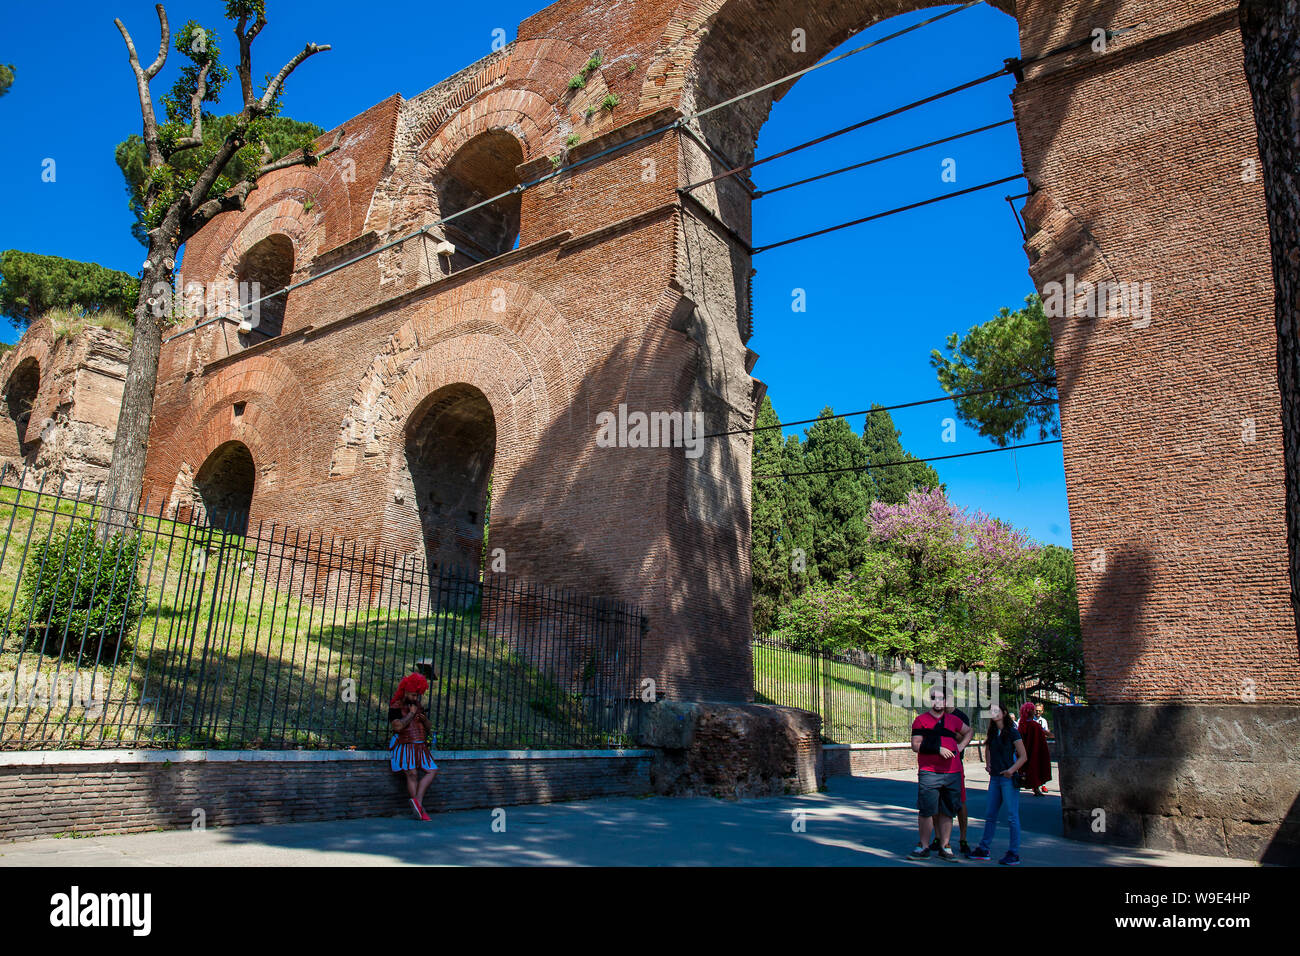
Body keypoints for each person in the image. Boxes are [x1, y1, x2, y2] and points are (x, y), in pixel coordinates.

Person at [909, 687, 970, 861]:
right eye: (935, 698)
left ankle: (945, 846)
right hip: (929, 771)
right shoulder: (920, 720)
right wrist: (938, 749)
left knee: (947, 811)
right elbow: (915, 745)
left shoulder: (953, 720)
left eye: (942, 698)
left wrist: (960, 747)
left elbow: (968, 731)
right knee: (927, 810)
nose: (938, 702)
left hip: (952, 772)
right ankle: (923, 845)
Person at [970, 701, 1028, 865]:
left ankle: (1013, 852)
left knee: (1012, 817)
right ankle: (984, 848)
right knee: (990, 815)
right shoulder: (993, 731)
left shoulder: (1012, 732)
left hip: (1008, 778)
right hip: (995, 778)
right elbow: (988, 747)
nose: (993, 713)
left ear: (1003, 712)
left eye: (996, 710)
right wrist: (988, 763)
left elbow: (1023, 755)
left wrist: (1011, 770)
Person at [389, 672, 437, 821]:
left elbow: (429, 727)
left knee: (432, 770)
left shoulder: (417, 706)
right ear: (405, 691)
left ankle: (418, 802)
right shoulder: (395, 706)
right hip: (405, 744)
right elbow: (397, 727)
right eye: (413, 695)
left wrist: (424, 719)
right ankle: (419, 807)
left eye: (417, 695)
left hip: (420, 745)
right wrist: (410, 714)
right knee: (412, 773)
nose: (416, 698)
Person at [931, 700, 975, 857]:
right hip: (936, 764)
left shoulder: (959, 717)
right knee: (936, 802)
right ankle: (938, 837)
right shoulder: (935, 715)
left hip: (955, 764)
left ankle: (963, 839)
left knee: (960, 802)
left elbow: (966, 735)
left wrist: (957, 742)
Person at [1017, 701, 1052, 796]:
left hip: (1024, 750)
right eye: (1033, 710)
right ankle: (1036, 787)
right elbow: (1041, 737)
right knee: (1035, 768)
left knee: (1025, 768)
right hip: (1034, 750)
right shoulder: (1034, 725)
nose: (1035, 712)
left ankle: (1031, 785)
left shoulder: (1022, 724)